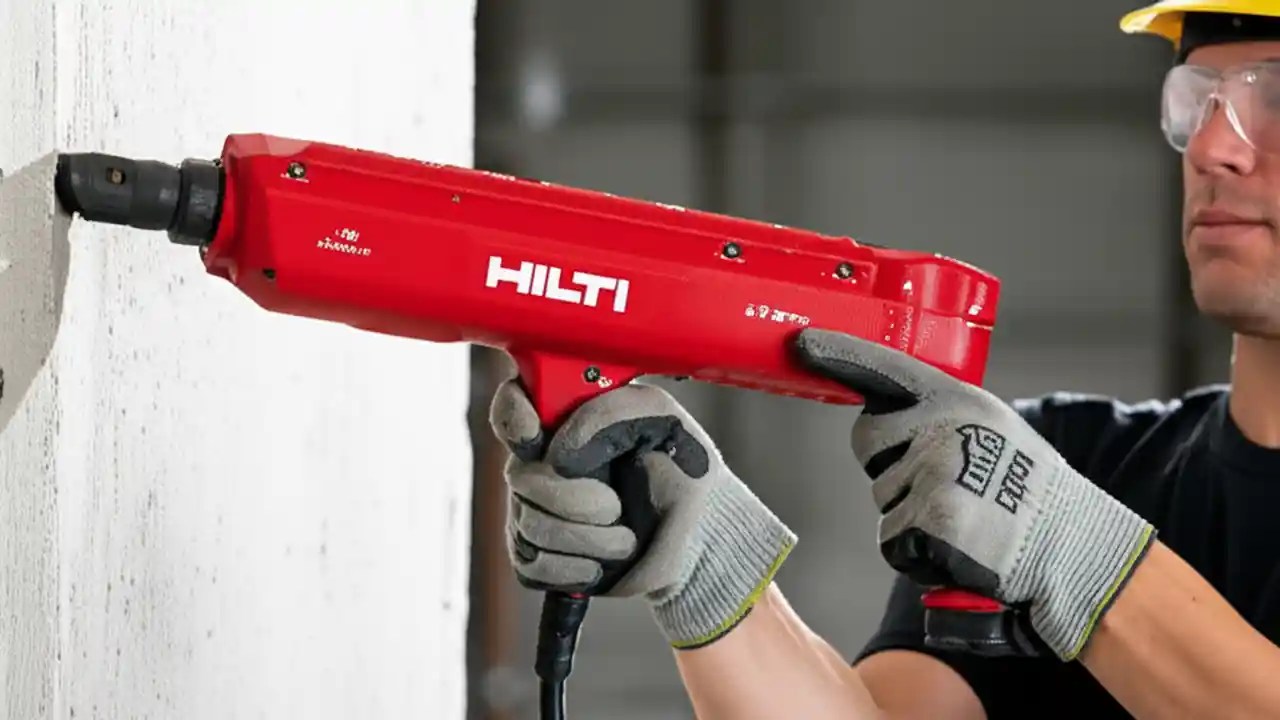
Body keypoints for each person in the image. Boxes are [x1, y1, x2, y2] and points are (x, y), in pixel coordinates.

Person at [488, 3, 1280, 718]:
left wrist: (1079, 558)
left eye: (1272, 100)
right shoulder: (1072, 463)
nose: (1214, 148)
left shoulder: (1052, 505)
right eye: (1197, 100)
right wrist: (709, 567)